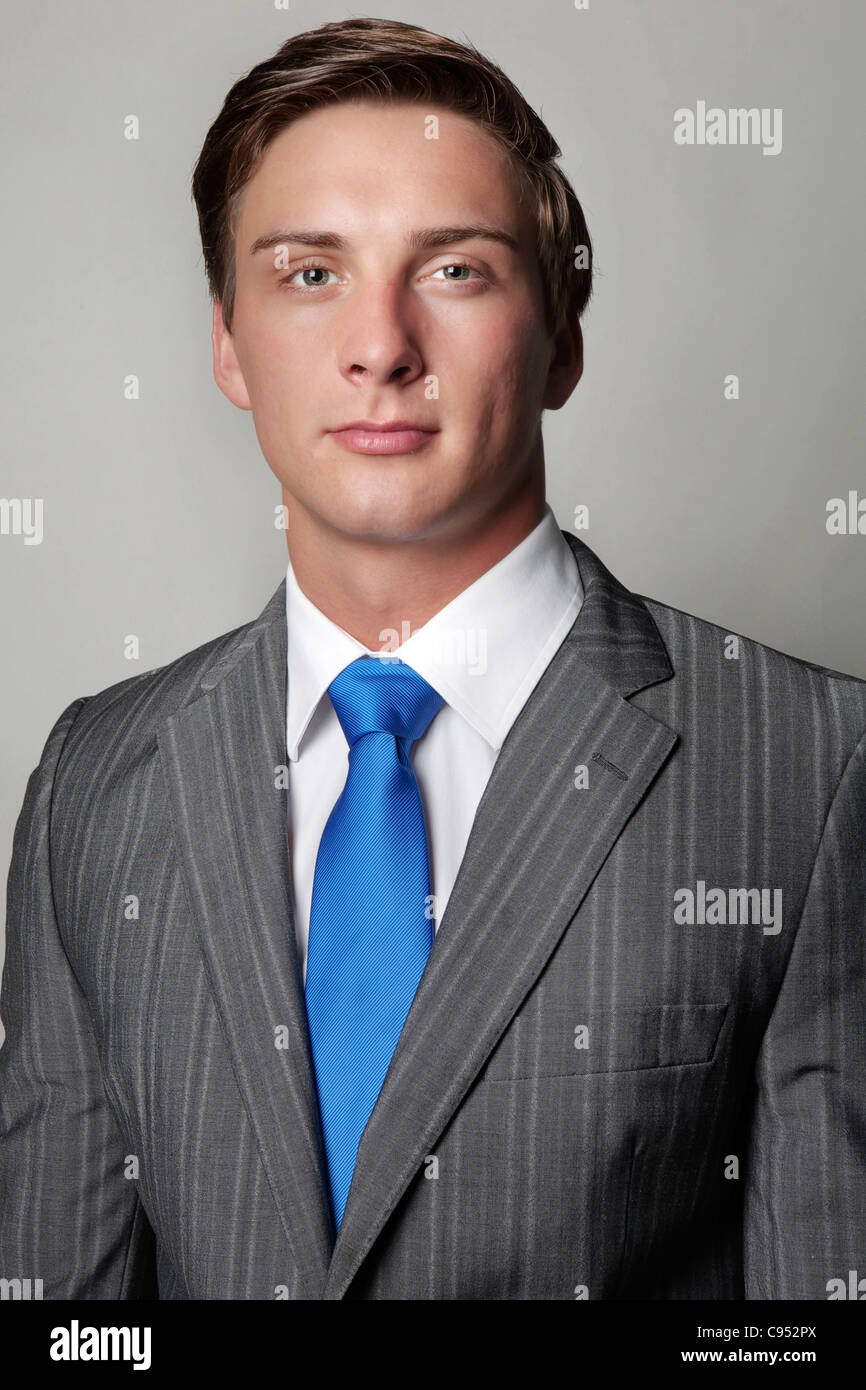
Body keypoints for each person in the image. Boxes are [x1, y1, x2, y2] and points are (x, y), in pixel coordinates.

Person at [1, 16, 864, 1302]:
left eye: (454, 271)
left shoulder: (809, 769)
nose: (380, 346)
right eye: (308, 274)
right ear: (228, 343)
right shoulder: (95, 777)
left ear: (561, 336)